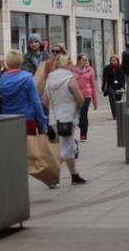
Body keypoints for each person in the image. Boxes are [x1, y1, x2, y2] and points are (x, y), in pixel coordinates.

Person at [44, 50, 87, 185]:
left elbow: (45, 101)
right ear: (67, 63)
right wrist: (77, 106)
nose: (72, 64)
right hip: (68, 117)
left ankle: (74, 175)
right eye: (70, 62)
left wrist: (53, 109)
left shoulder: (49, 78)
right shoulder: (70, 79)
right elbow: (80, 99)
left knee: (67, 145)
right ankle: (51, 176)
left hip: (55, 118)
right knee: (65, 148)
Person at [0, 50, 47, 135]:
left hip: (5, 120)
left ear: (7, 62)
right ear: (21, 62)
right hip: (26, 120)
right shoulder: (27, 78)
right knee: (28, 147)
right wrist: (42, 124)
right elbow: (36, 102)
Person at [72, 54, 98, 141]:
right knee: (77, 116)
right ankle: (81, 126)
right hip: (76, 95)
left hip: (87, 95)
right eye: (84, 60)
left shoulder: (90, 71)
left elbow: (93, 86)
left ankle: (83, 134)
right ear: (79, 60)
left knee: (84, 114)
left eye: (86, 60)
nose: (86, 61)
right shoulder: (73, 70)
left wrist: (95, 101)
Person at [101, 54, 125, 120]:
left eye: (115, 60)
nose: (113, 61)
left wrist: (123, 85)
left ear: (117, 60)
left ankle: (119, 114)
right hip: (110, 86)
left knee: (118, 100)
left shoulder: (120, 67)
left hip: (118, 86)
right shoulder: (107, 68)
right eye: (112, 60)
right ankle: (115, 115)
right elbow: (104, 78)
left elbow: (123, 78)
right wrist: (104, 87)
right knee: (112, 100)